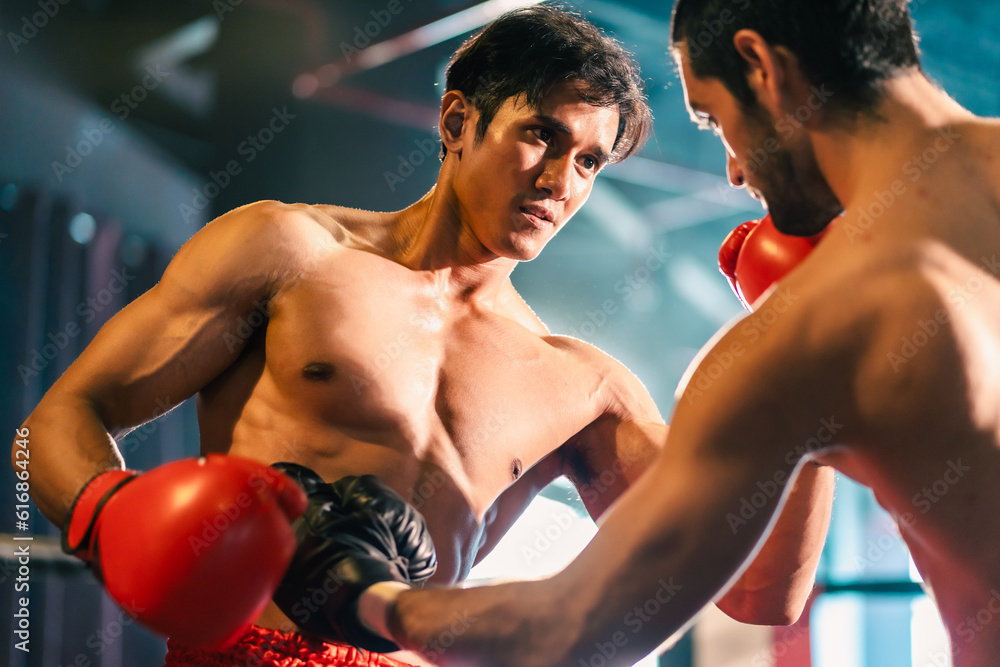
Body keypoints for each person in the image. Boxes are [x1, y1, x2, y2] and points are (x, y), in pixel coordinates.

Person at [14, 5, 834, 667]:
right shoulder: (287, 251)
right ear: (456, 119)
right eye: (541, 134)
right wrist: (109, 516)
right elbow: (60, 418)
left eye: (589, 162)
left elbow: (761, 591)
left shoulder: (583, 386)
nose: (560, 181)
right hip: (245, 651)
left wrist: (813, 334)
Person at [349, 1, 1000, 665]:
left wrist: (371, 596)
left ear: (762, 67)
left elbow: (573, 627)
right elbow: (761, 595)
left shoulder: (808, 332)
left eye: (714, 119)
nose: (735, 171)